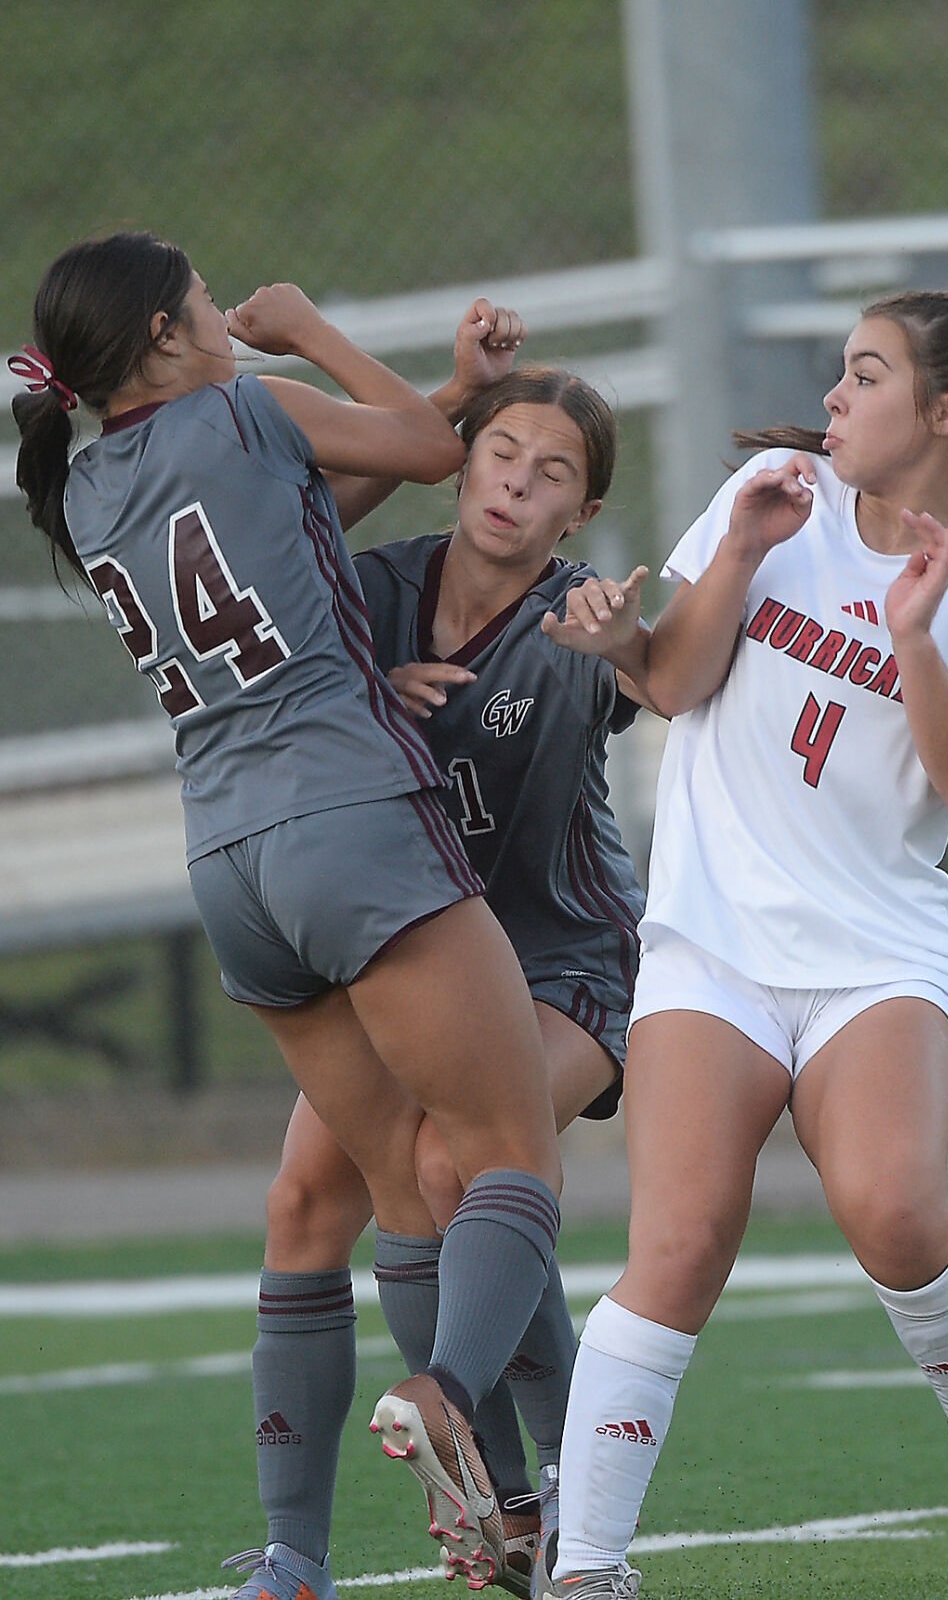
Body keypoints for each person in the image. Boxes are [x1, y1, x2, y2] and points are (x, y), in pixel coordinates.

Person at [8, 230, 567, 1600]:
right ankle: (458, 1410)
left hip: (230, 859)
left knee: (401, 1192)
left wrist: (435, 390)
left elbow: (310, 516)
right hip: (348, 815)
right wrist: (308, 326)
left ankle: (327, 1555)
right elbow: (426, 462)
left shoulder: (81, 491)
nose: (221, 308)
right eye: (202, 298)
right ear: (161, 330)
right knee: (507, 1154)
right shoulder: (247, 400)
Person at [535, 291, 948, 1600]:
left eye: (862, 373)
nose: (830, 396)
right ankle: (588, 1567)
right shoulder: (774, 495)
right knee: (680, 1237)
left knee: (890, 1208)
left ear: (945, 413)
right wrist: (691, 586)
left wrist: (915, 637)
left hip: (874, 951)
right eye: (838, 370)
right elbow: (667, 680)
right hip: (710, 939)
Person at [255, 364, 645, 1599]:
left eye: (555, 474)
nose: (518, 485)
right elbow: (275, 550)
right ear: (460, 458)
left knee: (454, 1165)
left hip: (564, 960)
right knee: (305, 1202)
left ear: (577, 515)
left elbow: (669, 664)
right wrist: (378, 699)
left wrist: (641, 639)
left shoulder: (575, 618)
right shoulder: (375, 591)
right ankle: (293, 1561)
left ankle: (542, 1506)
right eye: (501, 452)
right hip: (406, 958)